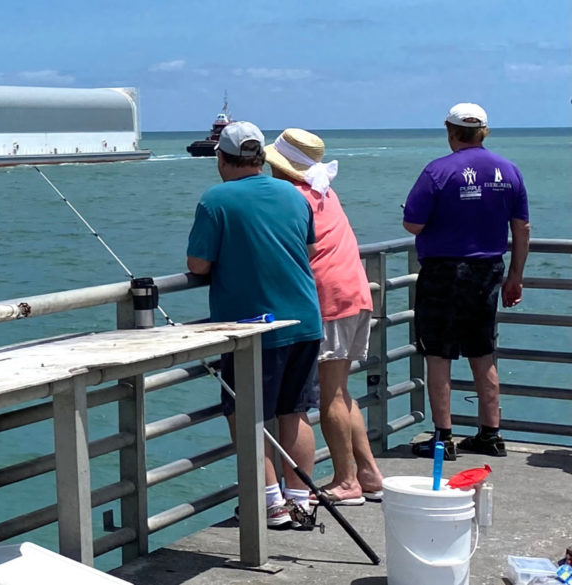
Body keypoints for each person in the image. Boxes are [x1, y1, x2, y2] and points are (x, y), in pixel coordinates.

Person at [186, 121, 323, 527]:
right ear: (262, 158)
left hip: (253, 329)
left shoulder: (215, 201)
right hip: (305, 317)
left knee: (246, 416)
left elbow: (198, 265)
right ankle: (302, 500)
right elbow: (312, 248)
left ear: (221, 159)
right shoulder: (293, 194)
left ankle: (269, 504)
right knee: (295, 412)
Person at [403, 103, 530, 459]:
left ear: (450, 130)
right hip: (489, 269)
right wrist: (516, 275)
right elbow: (521, 227)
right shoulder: (509, 170)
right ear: (483, 132)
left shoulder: (437, 171)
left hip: (443, 270)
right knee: (483, 350)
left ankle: (443, 437)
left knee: (439, 354)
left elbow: (412, 224)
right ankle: (491, 433)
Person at [264, 129, 384, 505]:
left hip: (328, 298)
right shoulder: (323, 191)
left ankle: (346, 481)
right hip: (355, 292)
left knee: (330, 395)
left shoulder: (293, 197)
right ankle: (368, 473)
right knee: (341, 391)